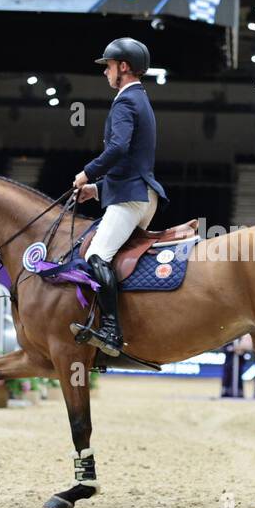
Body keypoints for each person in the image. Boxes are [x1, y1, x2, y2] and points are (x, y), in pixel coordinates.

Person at [68, 38, 168, 356]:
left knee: (96, 256)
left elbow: (118, 149)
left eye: (108, 66)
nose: (106, 73)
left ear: (123, 67)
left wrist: (87, 173)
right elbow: (131, 161)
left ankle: (111, 329)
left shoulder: (125, 102)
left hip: (131, 198)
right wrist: (97, 190)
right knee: (114, 257)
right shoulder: (140, 99)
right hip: (139, 193)